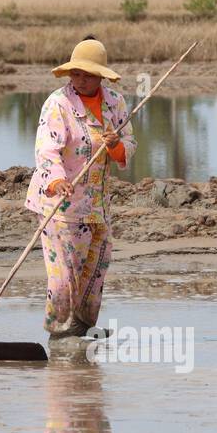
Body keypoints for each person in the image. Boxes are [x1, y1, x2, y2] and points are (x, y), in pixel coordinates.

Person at [25, 37, 136, 338]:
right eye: (76, 73)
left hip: (97, 204)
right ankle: (59, 333)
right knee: (64, 275)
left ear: (100, 75)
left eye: (88, 74)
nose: (81, 79)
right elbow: (47, 150)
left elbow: (128, 146)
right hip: (60, 204)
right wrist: (57, 179)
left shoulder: (115, 102)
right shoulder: (57, 104)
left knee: (96, 266)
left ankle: (81, 327)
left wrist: (115, 145)